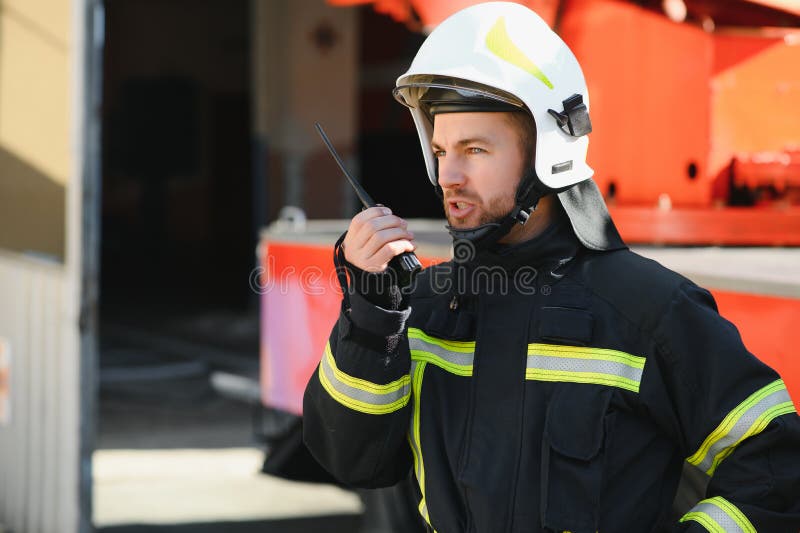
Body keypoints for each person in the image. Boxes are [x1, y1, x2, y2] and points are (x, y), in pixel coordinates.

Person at [302, 3, 800, 532]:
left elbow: (775, 470)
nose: (448, 175)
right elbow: (355, 459)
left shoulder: (649, 311)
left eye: (474, 149)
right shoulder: (423, 304)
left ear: (549, 151)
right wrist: (372, 317)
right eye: (441, 149)